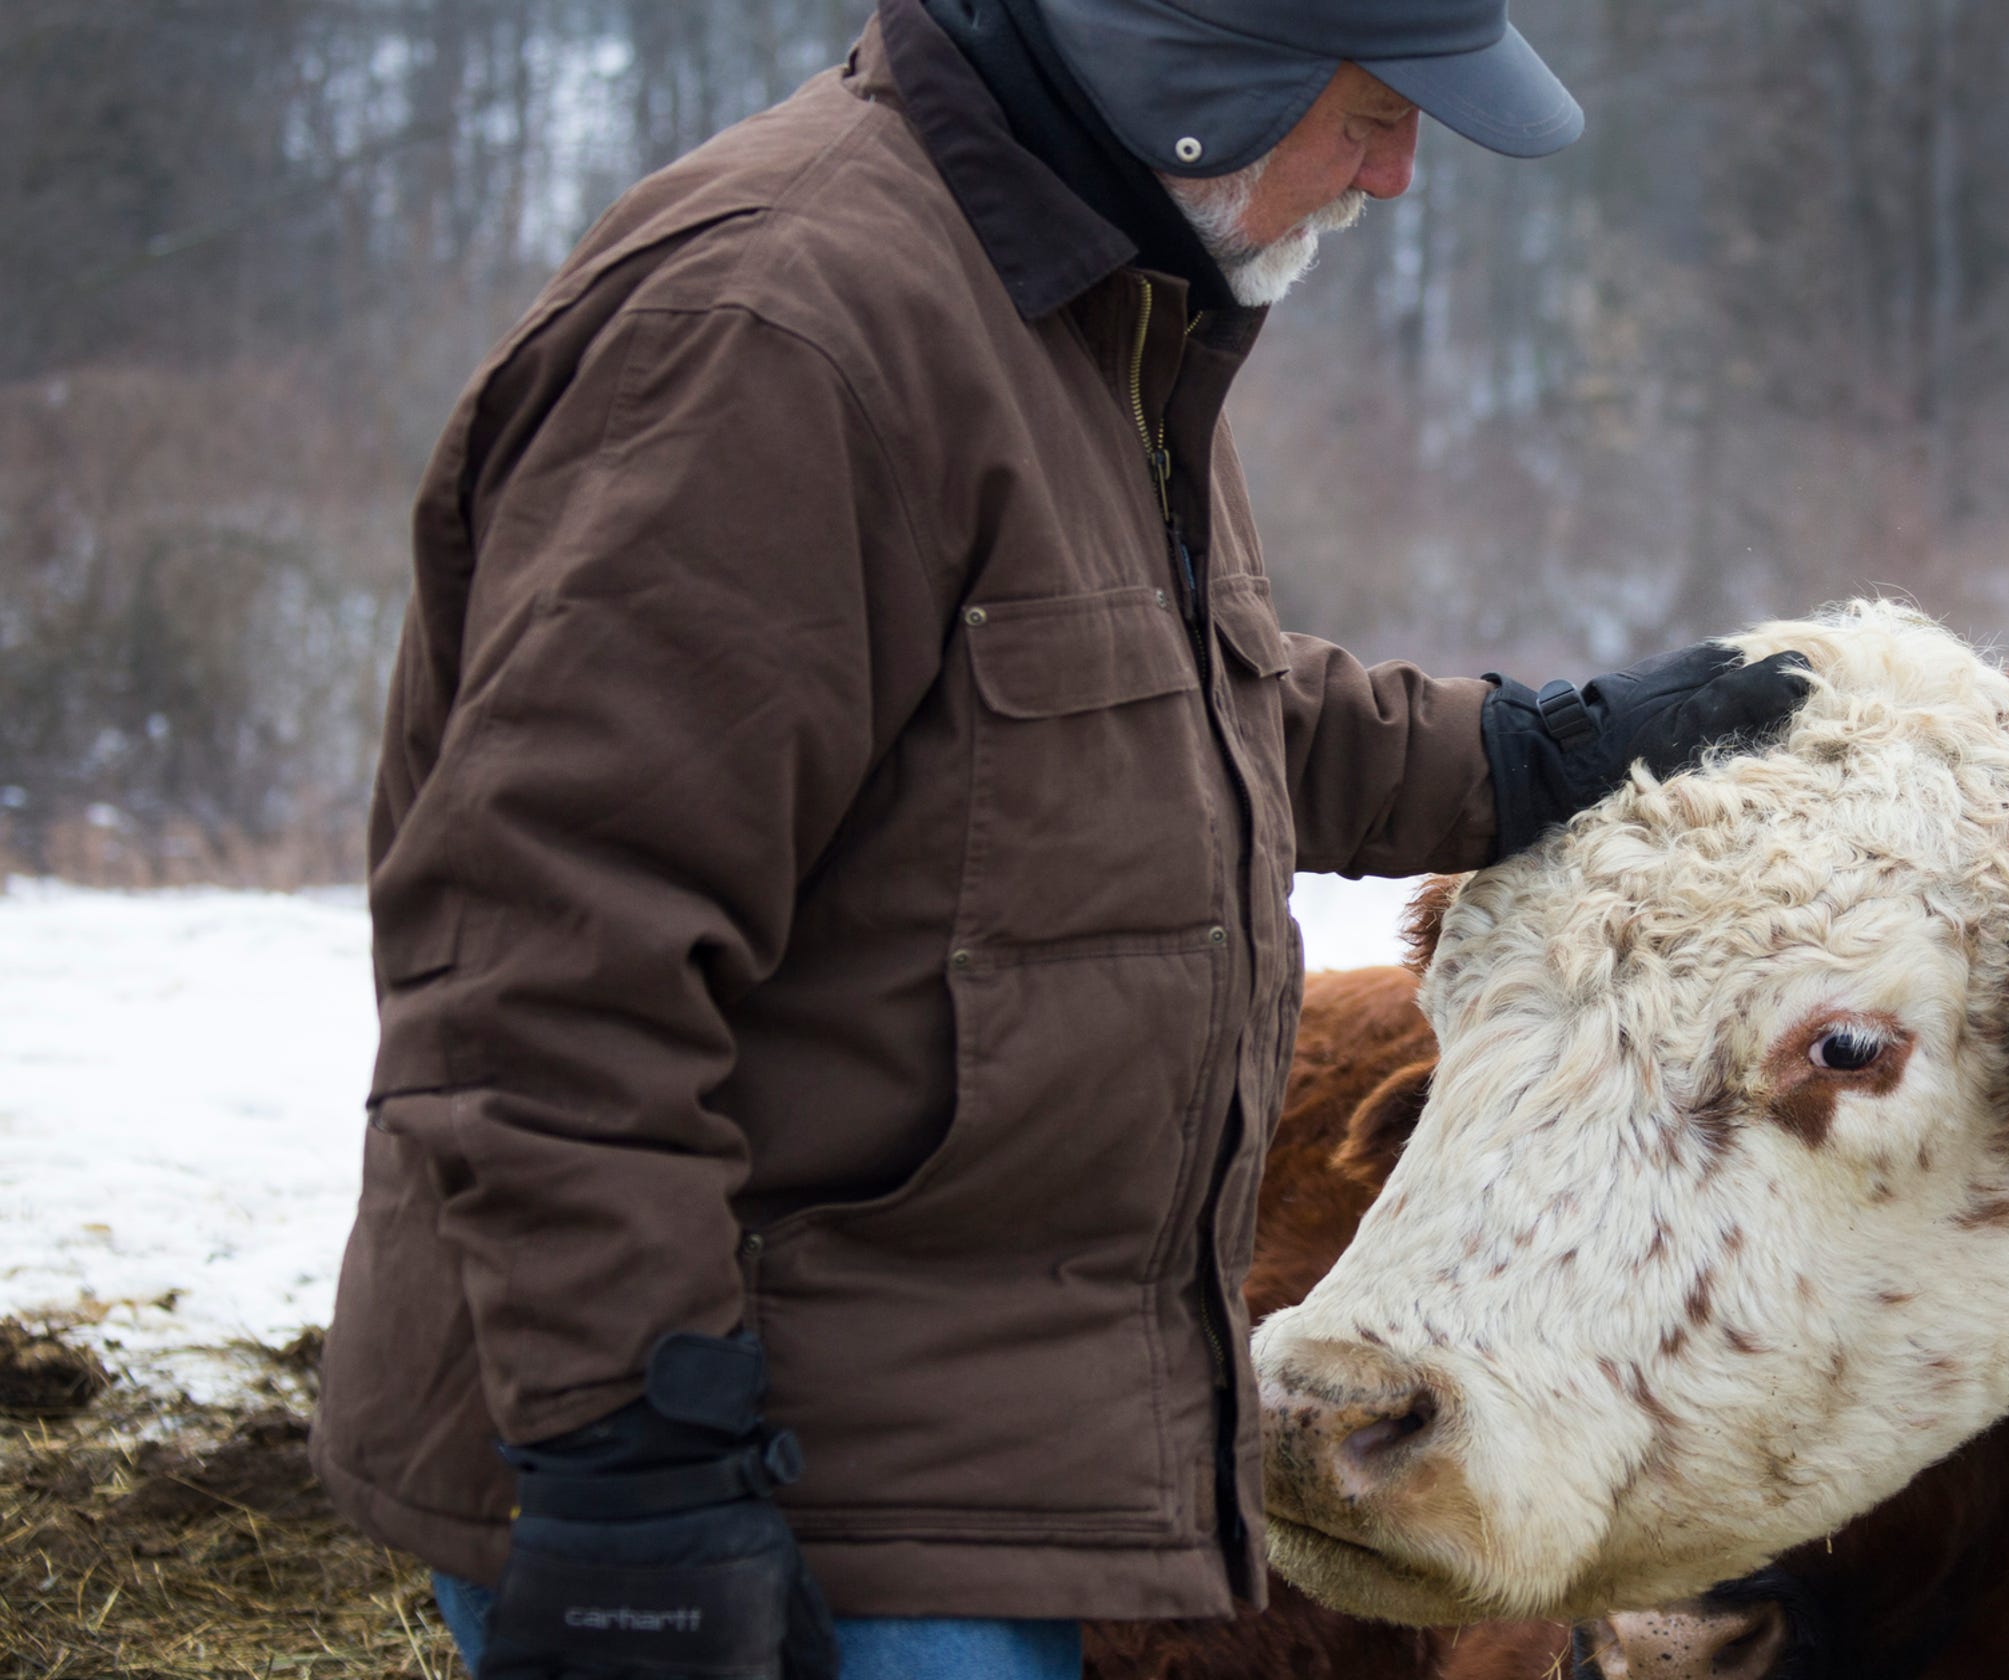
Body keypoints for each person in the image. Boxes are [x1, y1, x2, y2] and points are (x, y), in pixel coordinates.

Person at [308, 1, 1808, 1675]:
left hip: (924, 1446)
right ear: (1197, 73)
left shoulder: (1082, 309)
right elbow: (549, 953)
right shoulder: (778, 334)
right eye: (1372, 112)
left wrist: (1536, 755)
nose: (1392, 175)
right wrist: (633, 1463)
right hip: (766, 1481)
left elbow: (1140, 712)